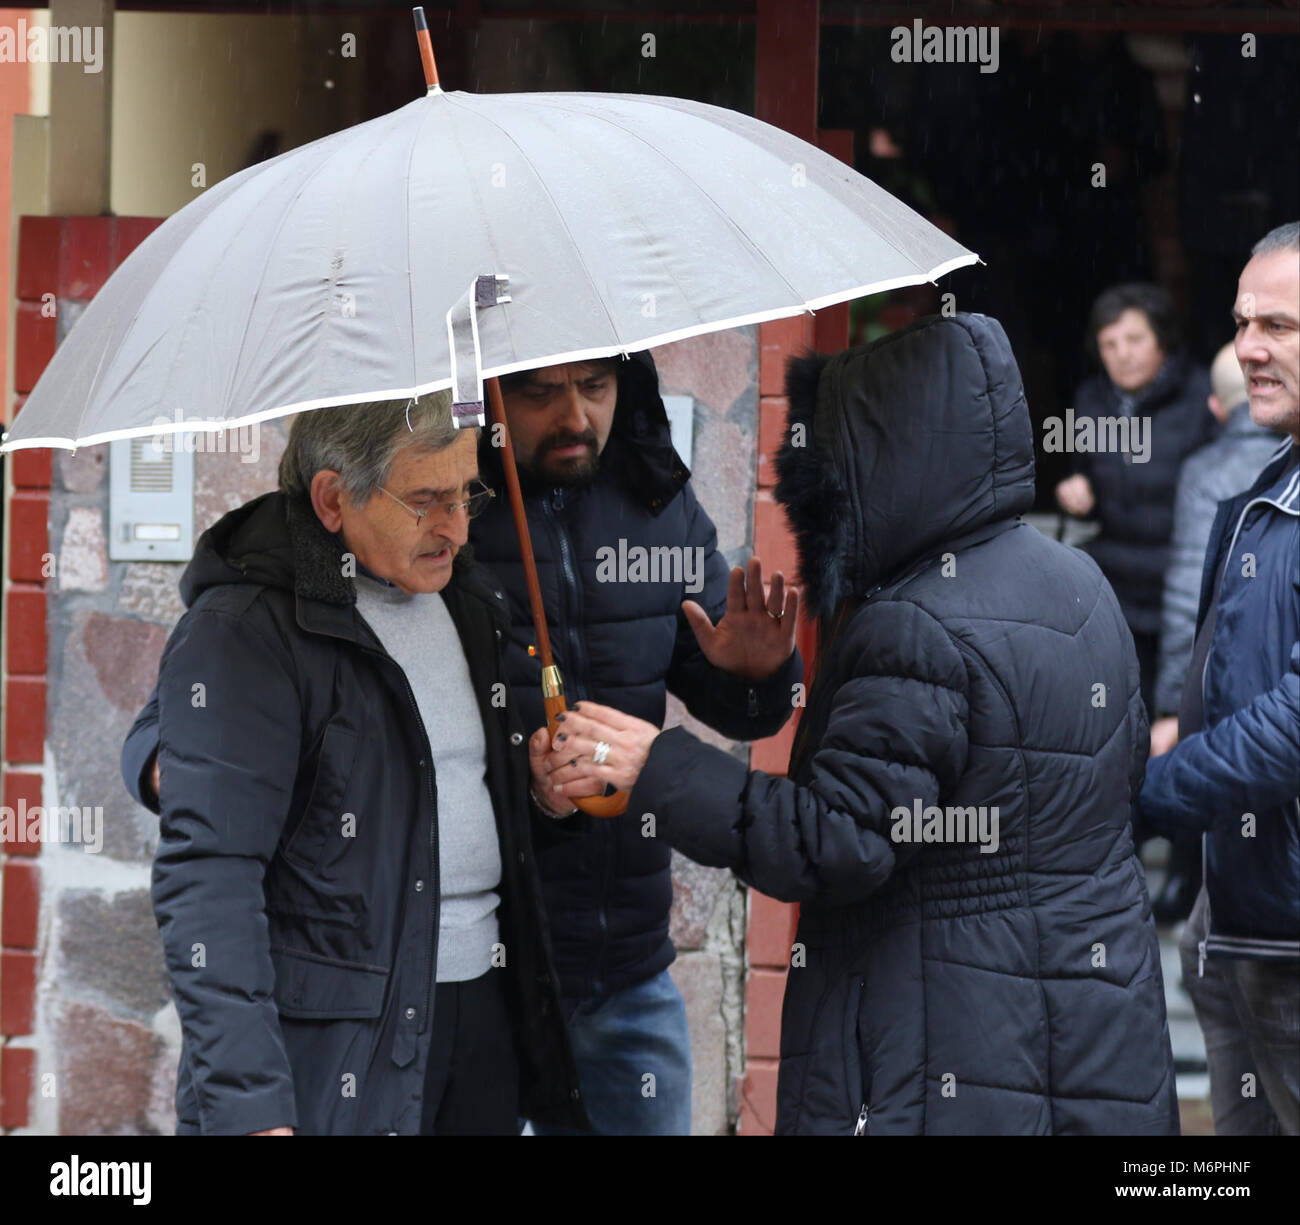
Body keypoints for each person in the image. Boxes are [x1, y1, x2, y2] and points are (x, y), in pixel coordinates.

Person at [540, 313, 1179, 1135]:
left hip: (952, 1038)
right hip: (1092, 1029)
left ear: (882, 455)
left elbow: (838, 839)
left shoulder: (914, 623)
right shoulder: (1079, 582)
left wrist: (656, 767)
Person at [121, 392, 586, 1135]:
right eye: (428, 500)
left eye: (468, 493)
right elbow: (210, 879)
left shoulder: (467, 598)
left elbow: (443, 798)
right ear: (333, 498)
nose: (459, 527)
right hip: (336, 1045)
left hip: (480, 1019)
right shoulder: (247, 628)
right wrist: (249, 1109)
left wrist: (541, 796)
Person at [472, 353, 802, 1135]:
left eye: (595, 387)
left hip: (626, 971)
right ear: (491, 397)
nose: (575, 417)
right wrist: (530, 786)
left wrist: (756, 676)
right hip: (485, 976)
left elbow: (731, 698)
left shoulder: (661, 507)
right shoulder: (448, 515)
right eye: (542, 393)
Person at [1139, 222, 1300, 1136]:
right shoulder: (1266, 489)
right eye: (1243, 323)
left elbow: (1291, 726)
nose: (1247, 349)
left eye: (1278, 325)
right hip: (1238, 917)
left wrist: (1144, 790)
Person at [1146, 342, 1287, 922]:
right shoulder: (1290, 468)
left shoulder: (1205, 471)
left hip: (1226, 683)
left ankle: (1192, 890)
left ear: (1213, 405)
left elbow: (1186, 601)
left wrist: (1173, 706)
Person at [1055, 283, 1216, 718]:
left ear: (1162, 339)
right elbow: (1082, 469)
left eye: (1134, 339)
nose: (1122, 354)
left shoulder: (1204, 397)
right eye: (1109, 344)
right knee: (1116, 708)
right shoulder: (1091, 399)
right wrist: (1075, 488)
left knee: (1182, 711)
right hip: (1115, 584)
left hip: (1182, 588)